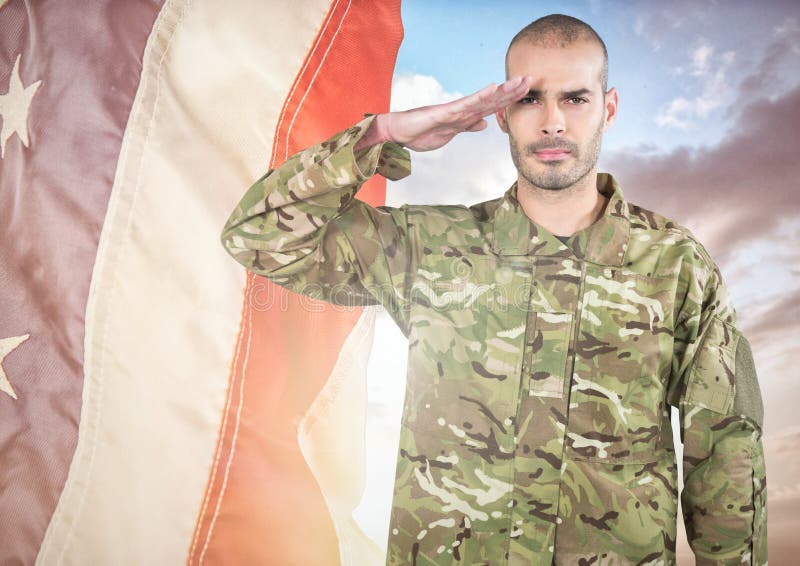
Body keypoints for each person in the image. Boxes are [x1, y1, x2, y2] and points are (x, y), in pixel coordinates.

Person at [221, 13, 767, 566]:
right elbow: (258, 236)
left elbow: (724, 449)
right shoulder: (429, 247)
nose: (552, 122)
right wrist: (380, 135)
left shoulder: (677, 266)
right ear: (502, 114)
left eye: (576, 98)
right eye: (530, 99)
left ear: (610, 107)